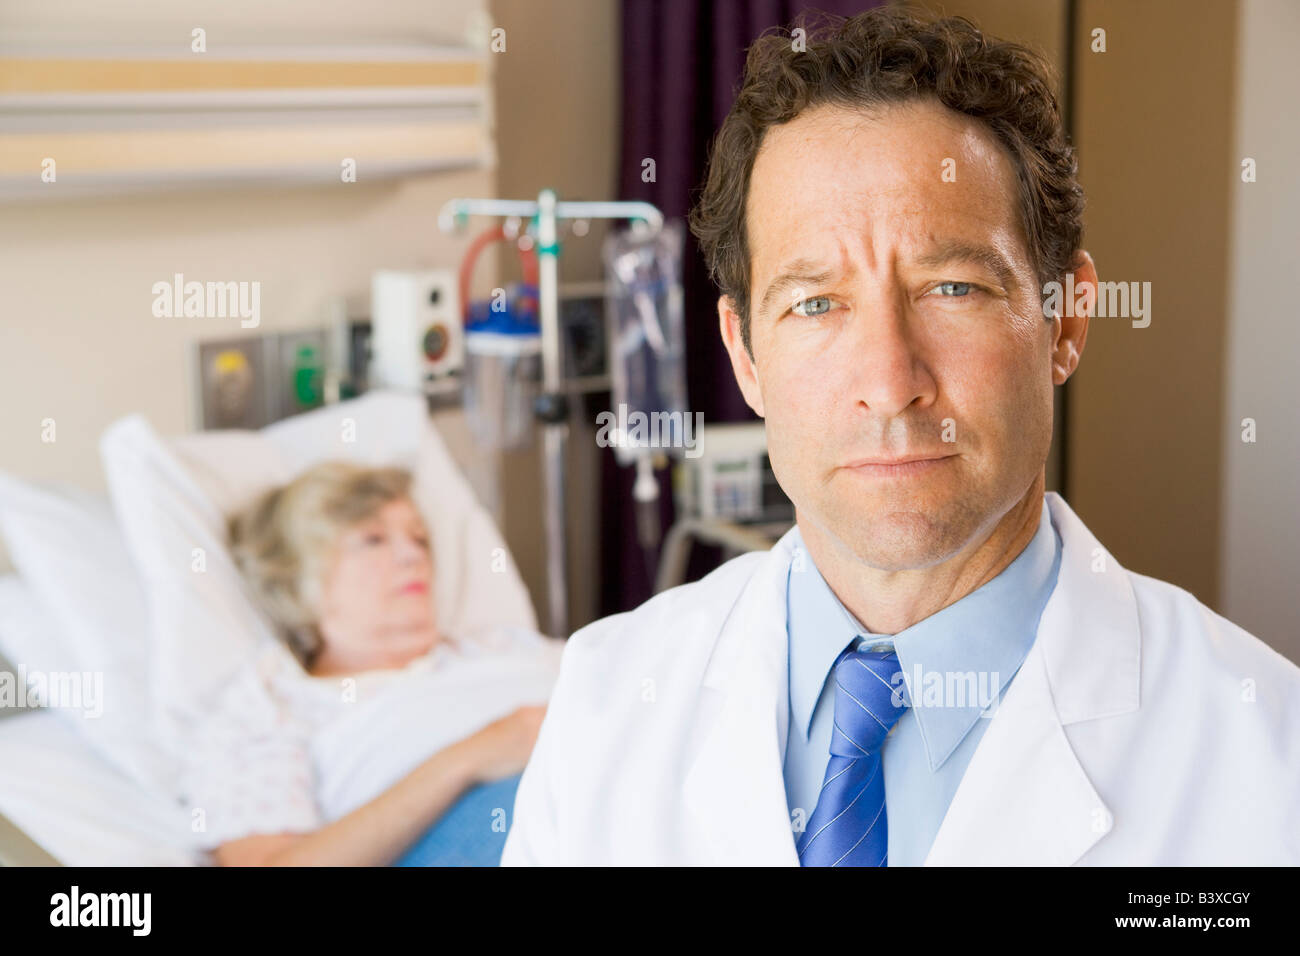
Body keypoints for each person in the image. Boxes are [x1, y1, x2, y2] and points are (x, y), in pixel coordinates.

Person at [503, 7, 1300, 866]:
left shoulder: (1265, 752)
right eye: (815, 303)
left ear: (1066, 318)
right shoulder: (606, 702)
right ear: (744, 356)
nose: (889, 382)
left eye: (952, 288)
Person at [184, 461, 556, 866]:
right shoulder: (272, 707)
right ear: (297, 574)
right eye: (374, 539)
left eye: (420, 539)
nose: (412, 555)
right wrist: (472, 756)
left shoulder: (500, 647)